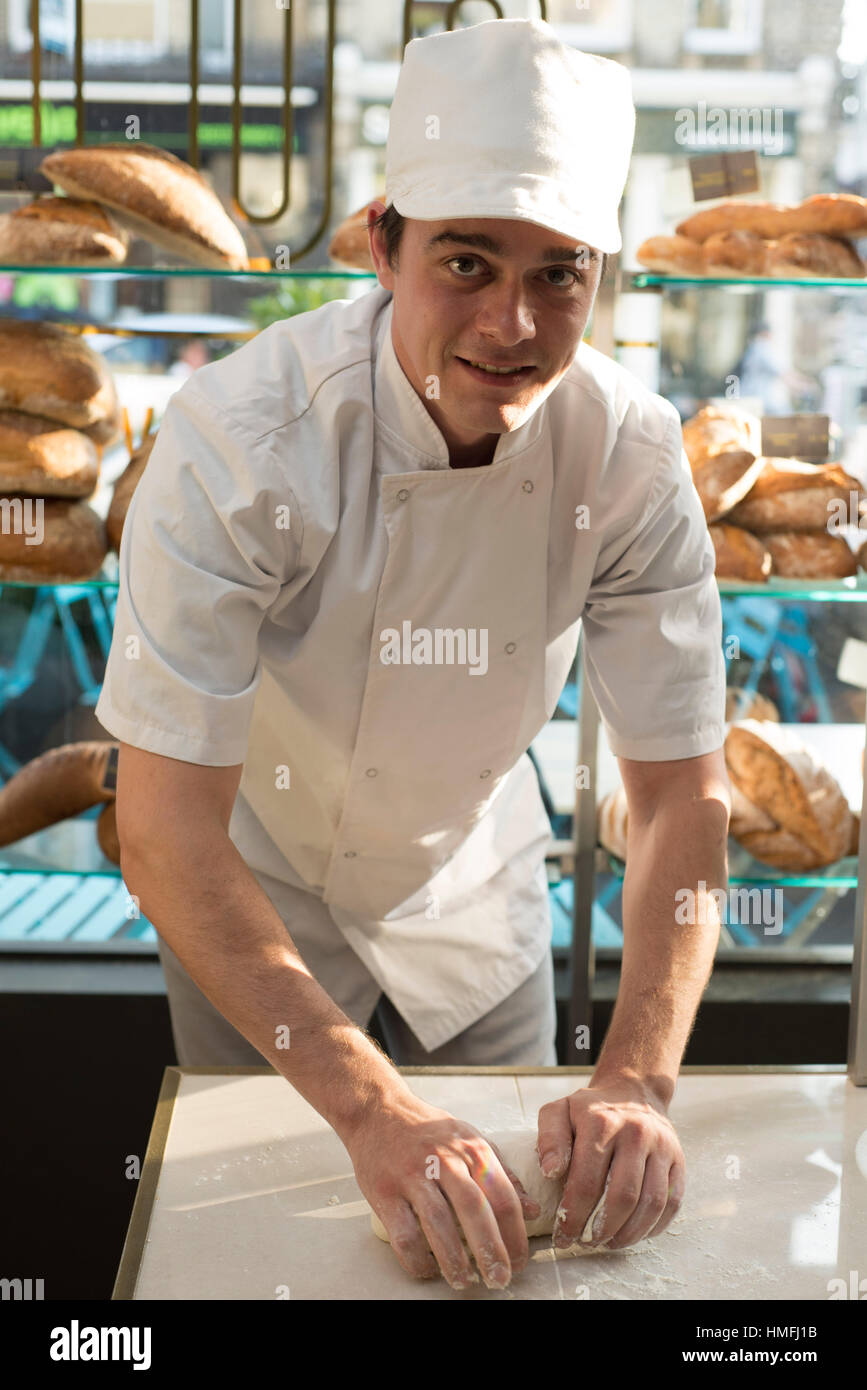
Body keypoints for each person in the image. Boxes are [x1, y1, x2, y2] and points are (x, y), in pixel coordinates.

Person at [96, 17, 730, 1291]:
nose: (514, 321)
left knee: (526, 1264)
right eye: (468, 261)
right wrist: (375, 1113)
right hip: (248, 911)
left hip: (473, 905)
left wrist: (639, 1078)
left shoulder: (632, 458)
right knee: (250, 1265)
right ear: (385, 244)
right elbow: (162, 831)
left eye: (561, 273)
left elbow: (679, 794)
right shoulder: (237, 441)